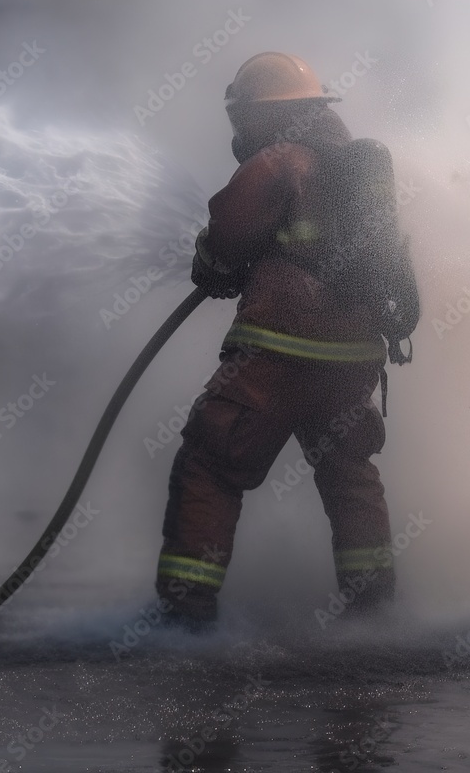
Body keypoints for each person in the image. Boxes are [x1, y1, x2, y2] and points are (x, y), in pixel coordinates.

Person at [156, 51, 419, 627]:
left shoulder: (277, 163)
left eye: (243, 116)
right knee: (349, 474)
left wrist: (210, 264)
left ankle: (185, 614)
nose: (239, 129)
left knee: (211, 461)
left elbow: (223, 245)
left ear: (266, 115)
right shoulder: (355, 169)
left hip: (275, 354)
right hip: (352, 361)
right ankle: (373, 612)